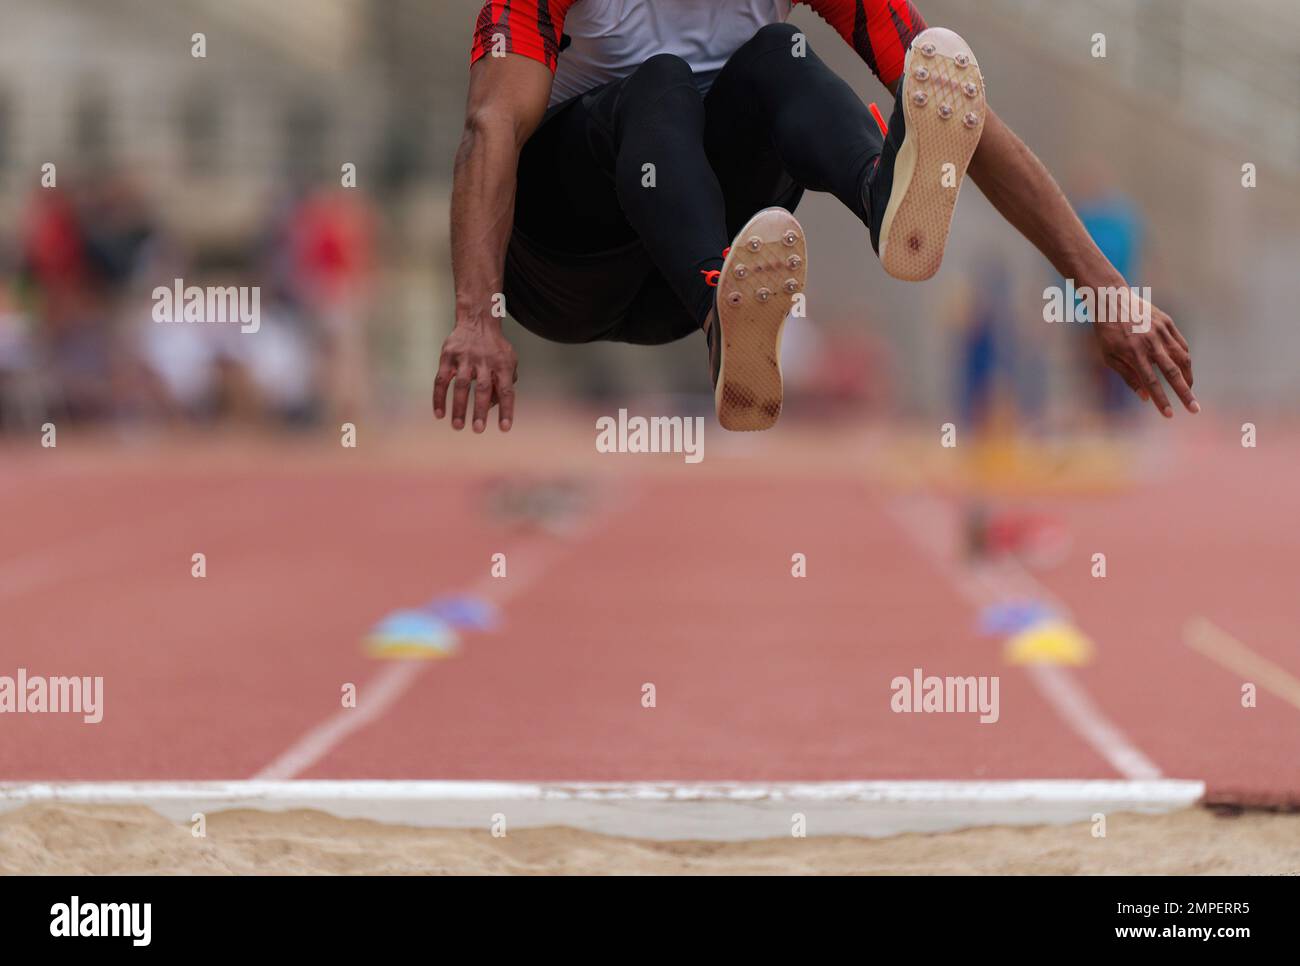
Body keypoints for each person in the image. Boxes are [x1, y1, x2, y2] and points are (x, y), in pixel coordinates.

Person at [437, 0, 1196, 433]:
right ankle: (720, 306)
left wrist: (1104, 287)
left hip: (686, 267)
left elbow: (971, 122)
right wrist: (478, 314)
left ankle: (881, 197)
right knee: (659, 83)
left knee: (779, 52)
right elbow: (490, 128)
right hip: (565, 254)